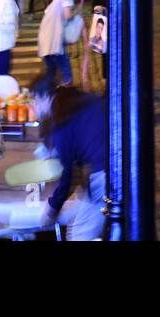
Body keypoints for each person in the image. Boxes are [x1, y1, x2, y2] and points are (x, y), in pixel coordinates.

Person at [32, 75, 108, 240]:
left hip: (105, 173)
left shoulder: (60, 119)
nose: (33, 106)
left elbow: (65, 177)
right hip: (118, 162)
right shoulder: (74, 101)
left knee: (79, 235)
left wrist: (51, 209)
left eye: (34, 100)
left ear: (44, 97)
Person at [38, 0, 77, 85]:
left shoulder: (52, 1)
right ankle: (67, 98)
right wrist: (76, 17)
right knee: (66, 75)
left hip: (45, 42)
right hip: (56, 42)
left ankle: (50, 98)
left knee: (51, 75)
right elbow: (68, 15)